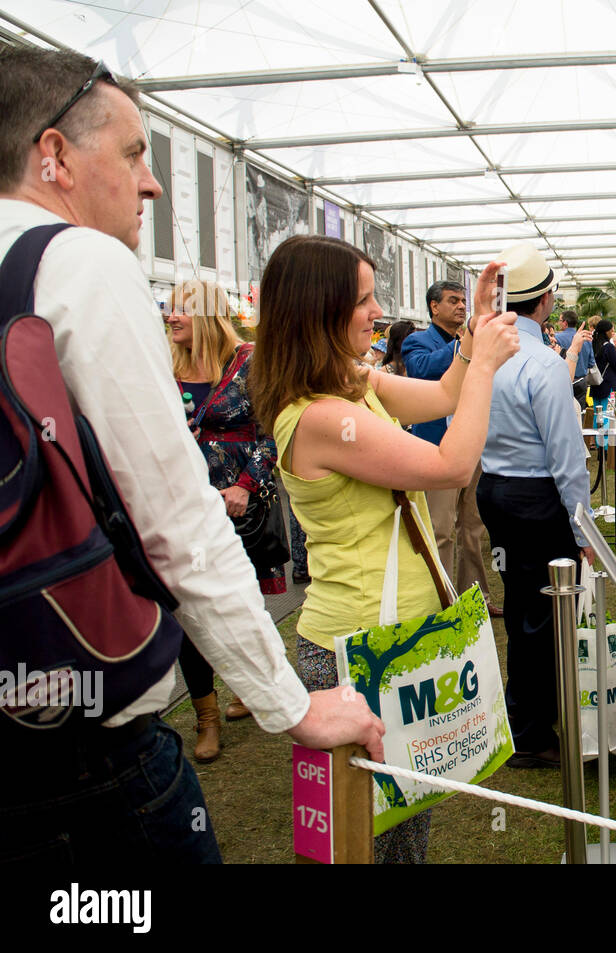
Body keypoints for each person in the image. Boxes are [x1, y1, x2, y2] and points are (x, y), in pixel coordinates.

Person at [0, 47, 382, 863]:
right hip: (77, 751)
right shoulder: (75, 262)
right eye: (135, 152)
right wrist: (292, 704)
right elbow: (175, 518)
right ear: (54, 156)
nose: (154, 183)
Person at [250, 236, 518, 862]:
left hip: (392, 640)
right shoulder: (318, 416)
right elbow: (452, 464)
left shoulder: (352, 382)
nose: (378, 313)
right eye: (364, 300)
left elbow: (445, 396)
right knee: (375, 844)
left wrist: (473, 337)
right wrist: (484, 368)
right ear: (320, 310)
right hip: (358, 650)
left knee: (402, 832)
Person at [476, 243, 596, 770]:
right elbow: (565, 453)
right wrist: (582, 525)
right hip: (535, 496)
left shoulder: (487, 350)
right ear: (545, 302)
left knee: (525, 608)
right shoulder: (543, 362)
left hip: (495, 489)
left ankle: (522, 714)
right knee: (542, 616)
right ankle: (529, 731)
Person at [168, 279, 284, 762]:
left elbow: (272, 429)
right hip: (182, 504)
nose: (170, 316)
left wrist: (245, 486)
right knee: (185, 608)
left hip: (240, 504)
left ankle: (247, 689)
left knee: (239, 600)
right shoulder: (165, 369)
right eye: (167, 308)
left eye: (180, 309)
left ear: (207, 315)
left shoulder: (249, 362)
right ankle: (206, 718)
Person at [403, 280, 502, 616]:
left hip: (473, 447)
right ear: (434, 307)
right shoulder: (417, 342)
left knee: (473, 529)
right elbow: (421, 370)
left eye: (464, 301)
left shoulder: (474, 341)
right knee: (441, 530)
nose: (461, 307)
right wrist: (465, 346)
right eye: (453, 301)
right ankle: (444, 605)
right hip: (436, 450)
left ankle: (477, 599)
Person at [589, 319, 616, 471]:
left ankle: (598, 445)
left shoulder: (594, 344)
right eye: (612, 329)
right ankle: (604, 448)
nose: (613, 331)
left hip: (596, 384)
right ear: (606, 331)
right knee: (606, 416)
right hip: (607, 385)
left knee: (598, 416)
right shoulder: (609, 347)